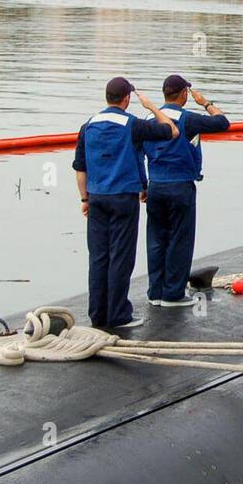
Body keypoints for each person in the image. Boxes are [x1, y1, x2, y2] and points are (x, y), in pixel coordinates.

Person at [73, 78, 177, 329]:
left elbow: (80, 169)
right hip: (123, 198)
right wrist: (153, 108)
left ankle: (98, 314)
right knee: (121, 256)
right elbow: (172, 131)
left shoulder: (88, 126)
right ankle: (118, 314)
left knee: (98, 257)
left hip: (96, 198)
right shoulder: (133, 125)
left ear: (107, 97)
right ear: (127, 99)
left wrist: (84, 199)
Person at [142, 75, 231, 307]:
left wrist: (142, 186)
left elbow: (136, 154)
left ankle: (155, 292)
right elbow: (223, 123)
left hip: (155, 185)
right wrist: (206, 103)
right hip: (180, 185)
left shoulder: (147, 118)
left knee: (156, 240)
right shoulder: (188, 119)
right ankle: (173, 294)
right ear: (183, 94)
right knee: (179, 239)